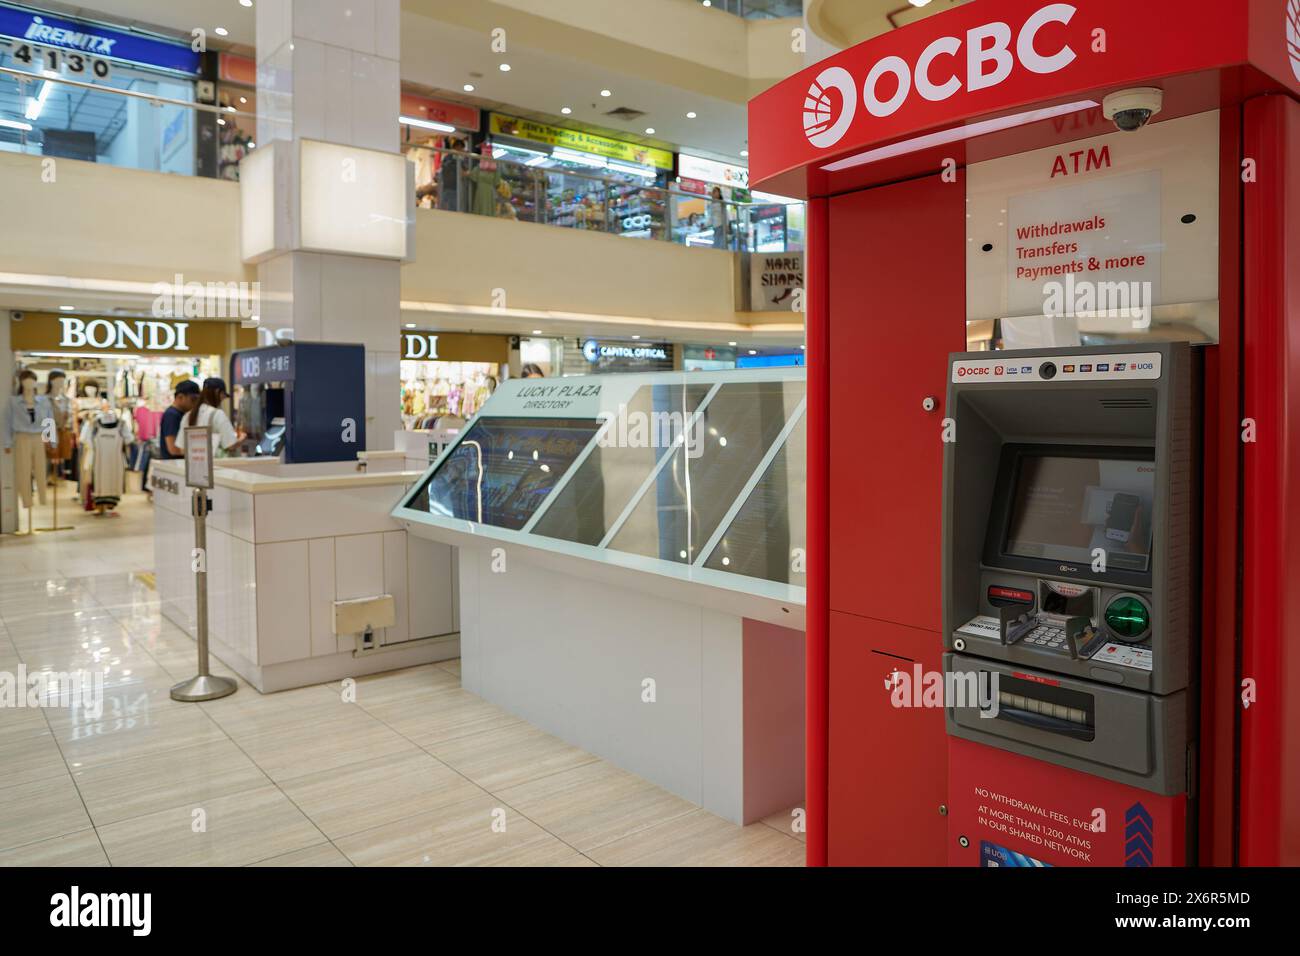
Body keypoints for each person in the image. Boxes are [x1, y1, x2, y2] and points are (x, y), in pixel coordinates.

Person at [176, 378, 242, 458]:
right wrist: (242, 438)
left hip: (194, 466)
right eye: (223, 396)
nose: (222, 400)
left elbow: (181, 449)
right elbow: (230, 445)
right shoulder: (218, 414)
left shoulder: (188, 416)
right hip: (216, 467)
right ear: (217, 392)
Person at [159, 380, 200, 460]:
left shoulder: (182, 414)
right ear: (180, 397)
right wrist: (197, 452)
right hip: (173, 464)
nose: (195, 403)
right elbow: (173, 448)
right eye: (193, 399)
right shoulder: (172, 415)